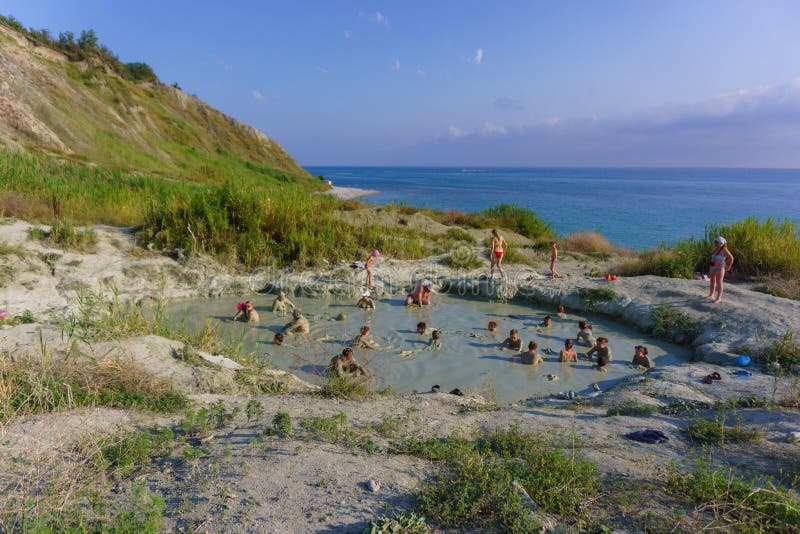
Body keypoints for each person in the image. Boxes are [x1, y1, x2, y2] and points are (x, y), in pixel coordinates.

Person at [707, 236, 735, 304]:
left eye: (717, 242)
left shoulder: (724, 249)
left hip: (720, 268)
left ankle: (718, 298)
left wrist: (729, 266)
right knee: (712, 281)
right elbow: (712, 260)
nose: (716, 243)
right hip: (713, 267)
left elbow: (731, 258)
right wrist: (710, 269)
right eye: (716, 242)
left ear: (722, 243)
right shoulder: (715, 249)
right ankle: (711, 294)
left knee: (719, 282)